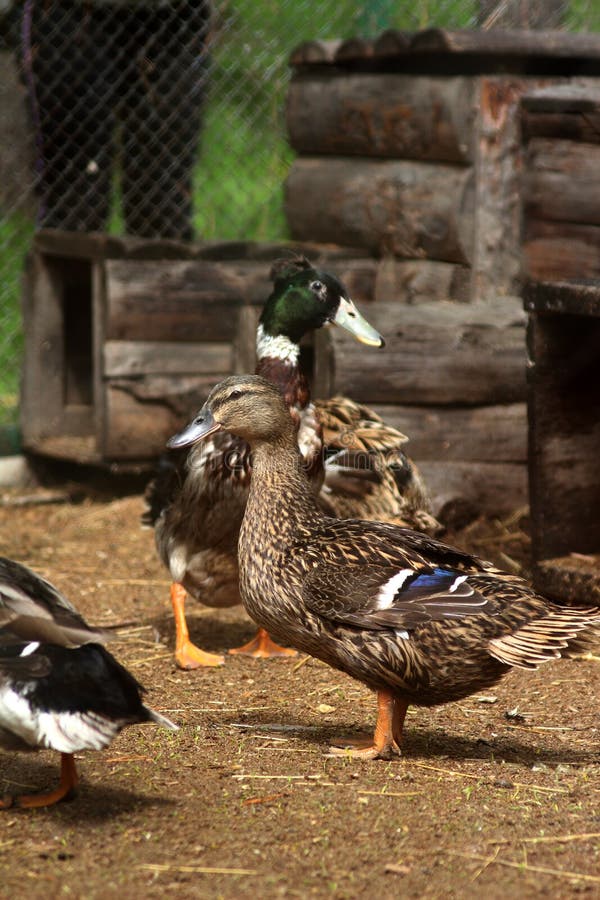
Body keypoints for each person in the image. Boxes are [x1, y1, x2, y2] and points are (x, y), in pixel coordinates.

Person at [19, 0, 210, 239]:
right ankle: (72, 273)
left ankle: (160, 274)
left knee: (163, 204)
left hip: (174, 18)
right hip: (72, 14)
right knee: (75, 205)